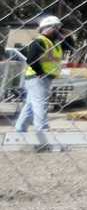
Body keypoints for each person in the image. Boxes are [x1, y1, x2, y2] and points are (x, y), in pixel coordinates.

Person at [10, 16, 62, 151]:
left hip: (40, 78)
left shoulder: (52, 43)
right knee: (41, 106)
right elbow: (31, 59)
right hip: (38, 78)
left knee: (30, 106)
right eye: (56, 27)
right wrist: (40, 73)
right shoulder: (40, 41)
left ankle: (19, 133)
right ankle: (42, 139)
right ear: (48, 28)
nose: (58, 30)